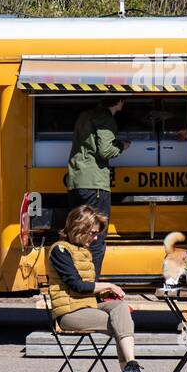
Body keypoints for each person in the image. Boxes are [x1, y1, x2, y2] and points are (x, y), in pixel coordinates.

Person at [47, 206, 146, 372]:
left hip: (87, 306)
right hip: (69, 313)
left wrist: (106, 294)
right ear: (79, 227)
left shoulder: (83, 251)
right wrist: (107, 285)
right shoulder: (59, 249)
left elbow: (87, 289)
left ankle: (131, 368)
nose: (95, 238)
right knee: (120, 323)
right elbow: (76, 285)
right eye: (92, 233)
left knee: (121, 309)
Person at [66, 97, 128, 277]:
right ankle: (91, 283)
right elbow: (106, 151)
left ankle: (75, 280)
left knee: (77, 235)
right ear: (119, 101)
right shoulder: (106, 118)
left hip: (76, 181)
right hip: (95, 184)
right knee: (96, 237)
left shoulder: (85, 115)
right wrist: (122, 146)